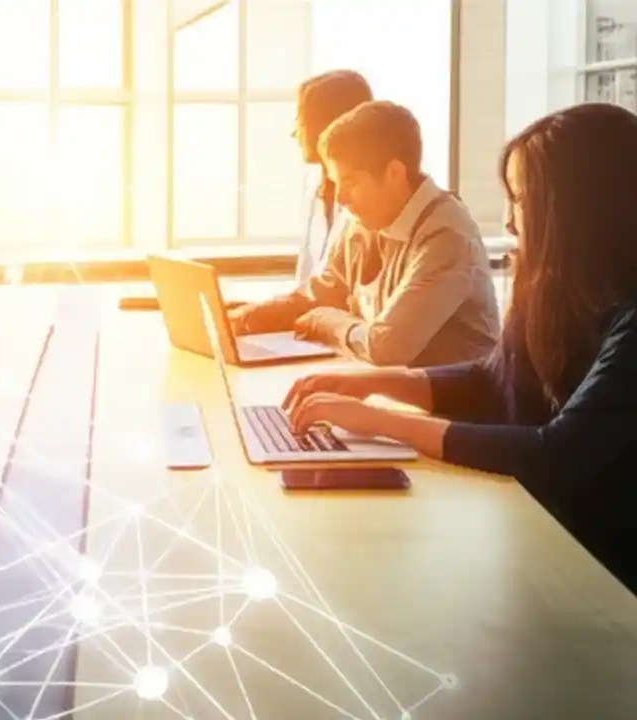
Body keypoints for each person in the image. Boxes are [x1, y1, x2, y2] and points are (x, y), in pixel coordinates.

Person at [285, 103, 637, 594]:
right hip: (547, 537)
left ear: (579, 208)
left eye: (521, 200)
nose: (509, 222)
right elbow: (493, 380)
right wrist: (368, 384)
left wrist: (381, 422)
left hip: (606, 575)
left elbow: (559, 454)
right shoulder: (557, 285)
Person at [229, 101, 500, 367]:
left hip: (451, 395)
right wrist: (245, 317)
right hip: (386, 385)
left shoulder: (447, 236)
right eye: (337, 183)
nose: (341, 198)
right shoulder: (363, 220)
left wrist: (327, 322)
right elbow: (322, 294)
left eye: (350, 182)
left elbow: (388, 346)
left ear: (394, 173)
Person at [292, 70, 374, 283]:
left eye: (301, 121)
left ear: (327, 127)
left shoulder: (371, 204)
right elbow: (306, 283)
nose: (294, 133)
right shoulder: (313, 187)